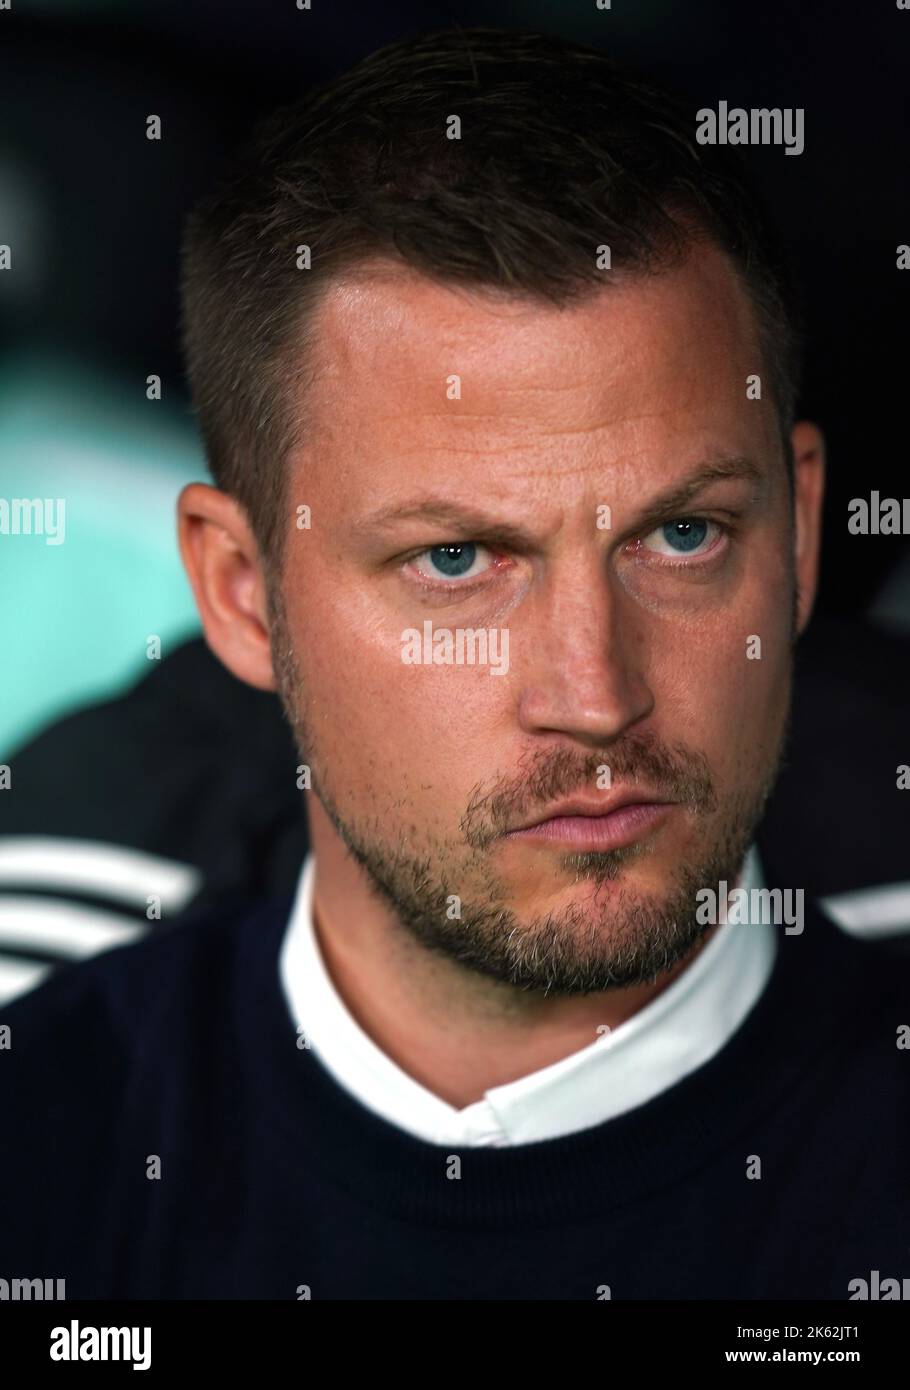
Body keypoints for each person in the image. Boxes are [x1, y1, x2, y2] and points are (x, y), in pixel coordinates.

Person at [1, 25, 908, 1301]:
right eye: (456, 562)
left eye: (682, 534)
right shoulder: (44, 1143)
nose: (594, 697)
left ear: (803, 532)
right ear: (243, 593)